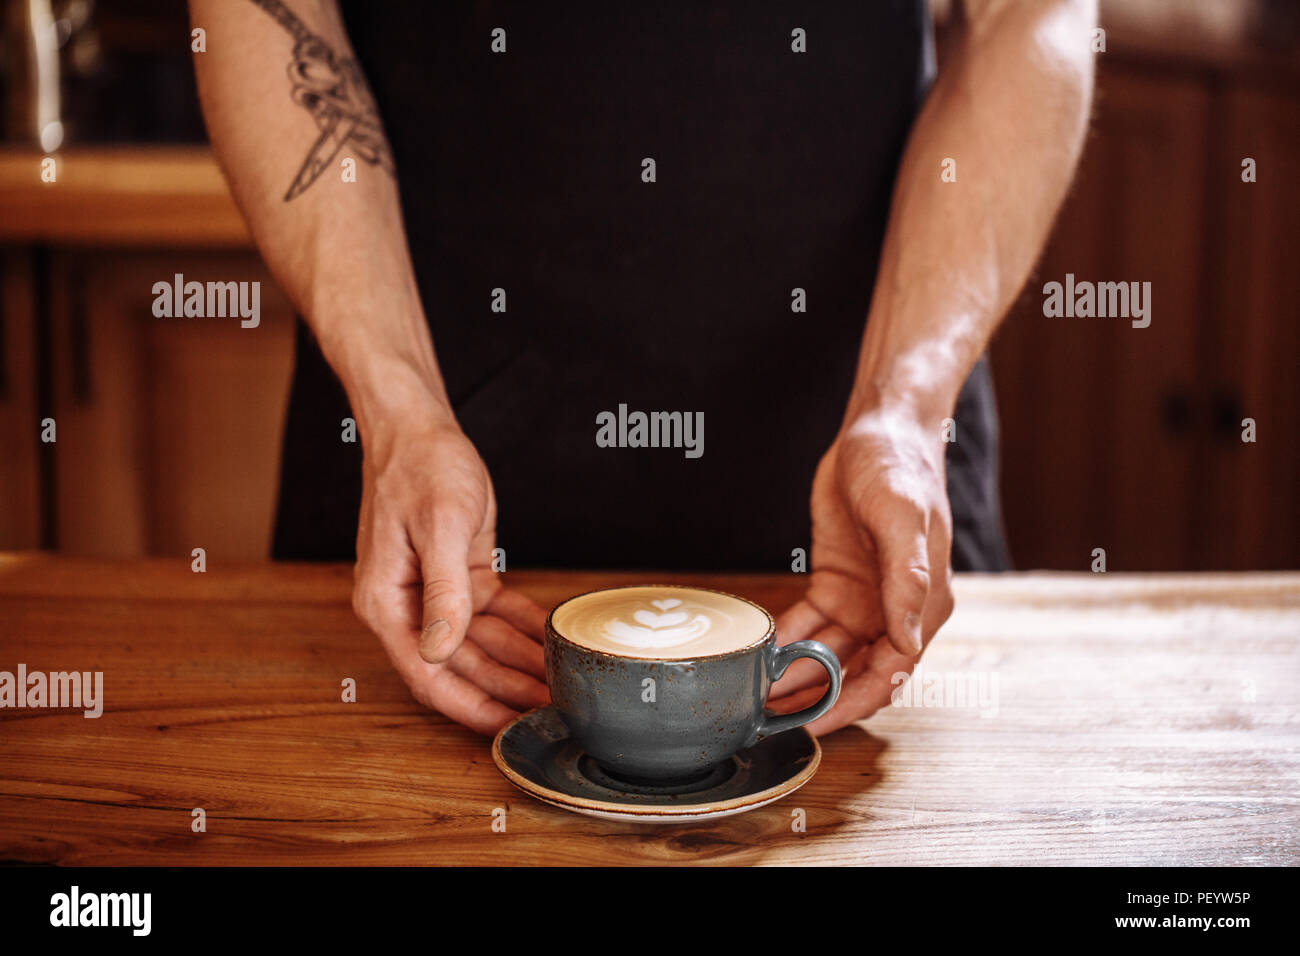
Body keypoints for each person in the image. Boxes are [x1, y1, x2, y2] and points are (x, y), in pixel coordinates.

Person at [191, 0, 1095, 736]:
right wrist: (397, 409)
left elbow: (1027, 13)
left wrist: (901, 407)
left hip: (860, 495)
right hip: (424, 486)